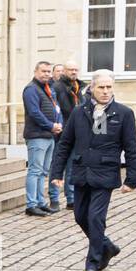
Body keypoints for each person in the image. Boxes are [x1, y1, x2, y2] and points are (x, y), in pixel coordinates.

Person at [50, 70, 136, 271]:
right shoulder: (79, 112)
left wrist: (132, 179)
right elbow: (65, 144)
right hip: (82, 172)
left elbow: (132, 148)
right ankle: (107, 246)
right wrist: (56, 172)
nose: (106, 91)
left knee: (95, 218)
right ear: (92, 88)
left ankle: (93, 263)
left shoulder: (124, 113)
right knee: (80, 216)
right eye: (101, 87)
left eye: (109, 87)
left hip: (105, 174)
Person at [23, 60, 64, 216]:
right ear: (35, 72)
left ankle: (40, 202)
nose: (46, 74)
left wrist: (59, 123)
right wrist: (51, 126)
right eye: (43, 71)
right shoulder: (31, 89)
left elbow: (57, 110)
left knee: (43, 171)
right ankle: (31, 205)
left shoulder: (48, 89)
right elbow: (34, 113)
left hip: (49, 136)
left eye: (48, 71)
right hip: (37, 136)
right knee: (35, 170)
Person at [55, 61, 86, 210]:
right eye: (70, 69)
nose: (74, 72)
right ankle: (57, 199)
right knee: (59, 166)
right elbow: (61, 110)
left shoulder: (78, 86)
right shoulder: (59, 87)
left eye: (76, 69)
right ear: (64, 71)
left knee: (73, 167)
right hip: (64, 132)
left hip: (77, 131)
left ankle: (71, 198)